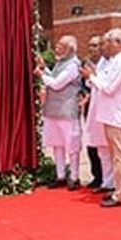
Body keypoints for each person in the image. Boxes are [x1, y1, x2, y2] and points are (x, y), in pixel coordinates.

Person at [81, 28, 121, 207]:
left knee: (120, 154)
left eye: (109, 42)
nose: (106, 46)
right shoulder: (114, 61)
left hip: (117, 113)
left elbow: (109, 87)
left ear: (119, 43)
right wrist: (92, 77)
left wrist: (92, 77)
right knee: (116, 154)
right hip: (110, 113)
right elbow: (102, 82)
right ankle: (119, 189)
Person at [41, 35, 83, 190]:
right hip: (53, 109)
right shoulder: (61, 63)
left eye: (60, 45)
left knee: (71, 145)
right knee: (57, 144)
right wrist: (44, 68)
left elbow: (57, 84)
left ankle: (74, 176)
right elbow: (52, 77)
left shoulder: (73, 65)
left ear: (69, 49)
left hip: (66, 109)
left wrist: (41, 75)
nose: (56, 48)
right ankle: (60, 175)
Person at [80, 34, 108, 190]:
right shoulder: (85, 63)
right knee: (91, 142)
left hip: (103, 107)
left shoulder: (107, 63)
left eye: (96, 45)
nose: (93, 49)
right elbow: (82, 85)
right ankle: (97, 176)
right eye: (90, 45)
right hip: (90, 105)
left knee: (104, 145)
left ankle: (107, 178)